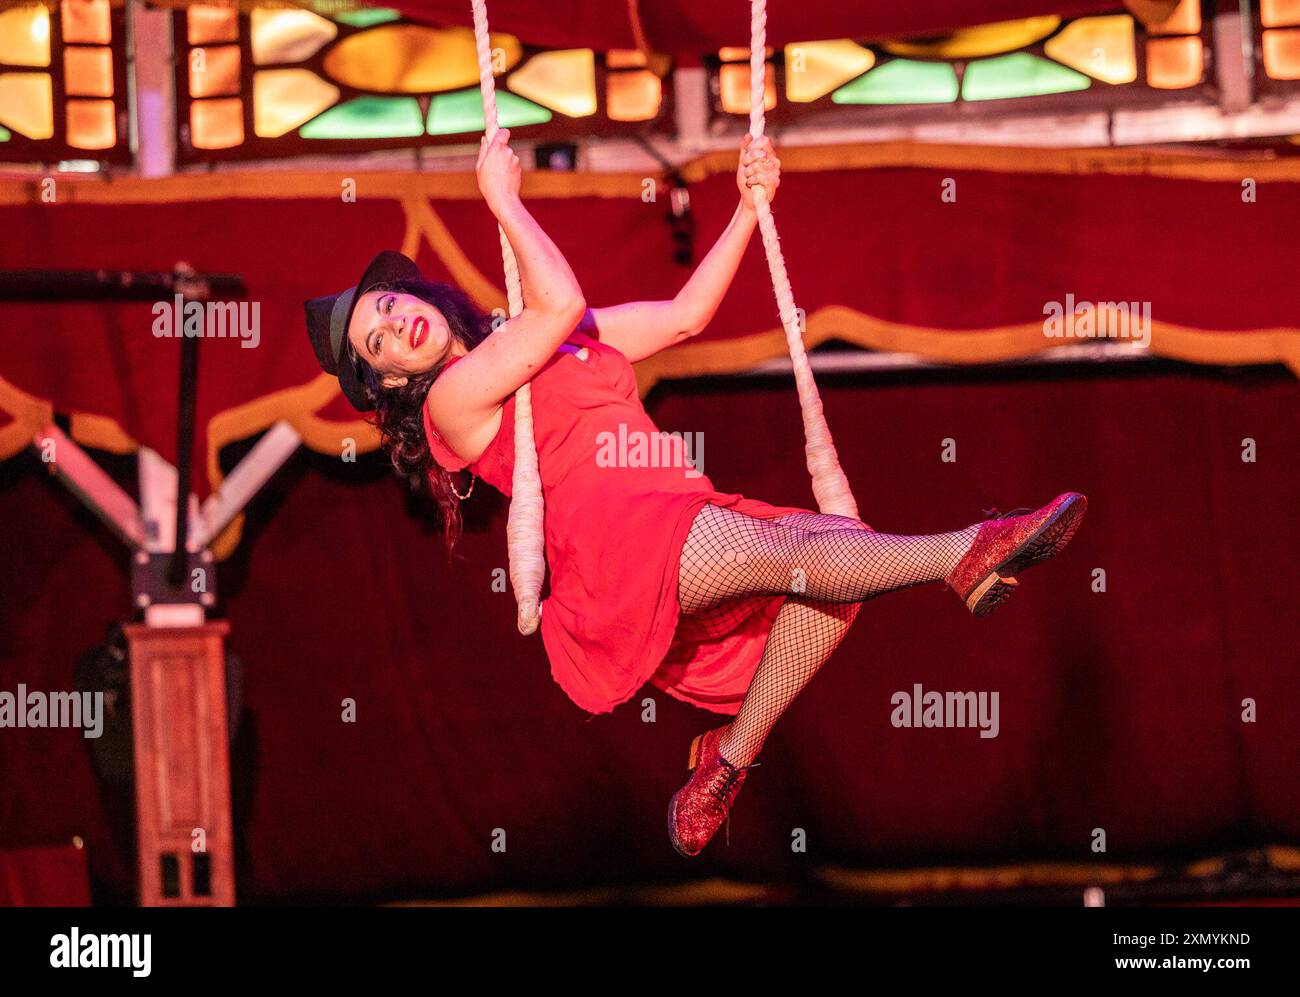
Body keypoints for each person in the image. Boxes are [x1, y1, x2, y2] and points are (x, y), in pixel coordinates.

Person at [304, 130, 1087, 857]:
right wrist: (504, 202)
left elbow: (683, 318)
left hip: (679, 507)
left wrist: (749, 208)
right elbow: (562, 305)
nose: (394, 324)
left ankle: (728, 758)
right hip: (619, 549)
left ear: (422, 298)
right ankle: (963, 552)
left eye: (388, 305)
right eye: (377, 343)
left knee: (828, 585)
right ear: (395, 381)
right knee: (807, 554)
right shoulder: (452, 401)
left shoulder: (543, 335)